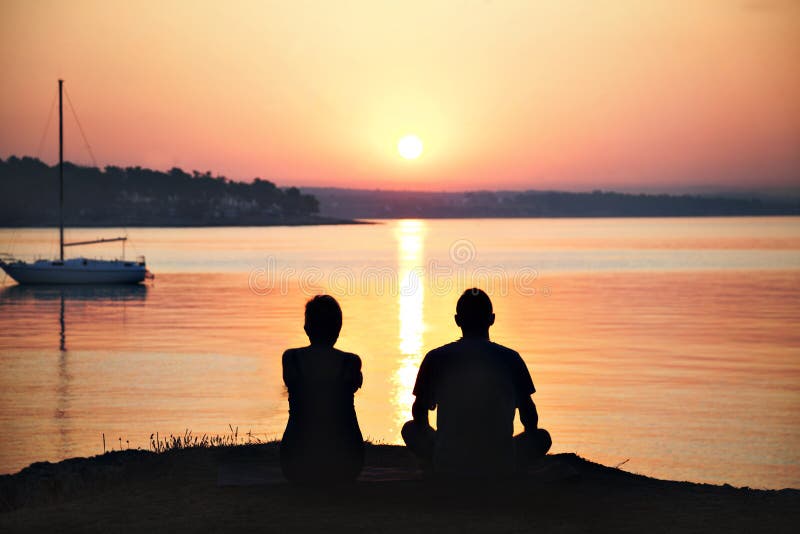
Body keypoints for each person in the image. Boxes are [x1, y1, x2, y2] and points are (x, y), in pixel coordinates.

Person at [402, 288, 551, 477]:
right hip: (500, 465)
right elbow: (530, 417)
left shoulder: (436, 357)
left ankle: (434, 465)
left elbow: (419, 413)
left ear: (457, 320)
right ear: (492, 319)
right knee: (541, 438)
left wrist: (438, 442)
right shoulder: (511, 358)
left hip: (449, 463)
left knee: (410, 429)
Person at [280, 295, 364, 483]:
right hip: (347, 464)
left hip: (296, 464)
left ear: (307, 328)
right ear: (338, 329)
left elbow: (292, 384)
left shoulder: (291, 359)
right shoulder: (351, 362)